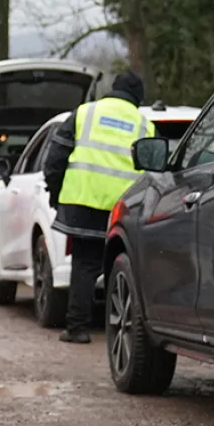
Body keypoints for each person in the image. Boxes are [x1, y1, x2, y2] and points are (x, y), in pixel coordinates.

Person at [42, 71, 154, 344]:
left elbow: (55, 157)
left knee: (85, 264)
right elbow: (153, 171)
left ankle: (77, 328)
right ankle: (130, 327)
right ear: (138, 97)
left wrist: (55, 193)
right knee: (126, 265)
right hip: (126, 209)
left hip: (84, 202)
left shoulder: (85, 113)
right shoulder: (145, 125)